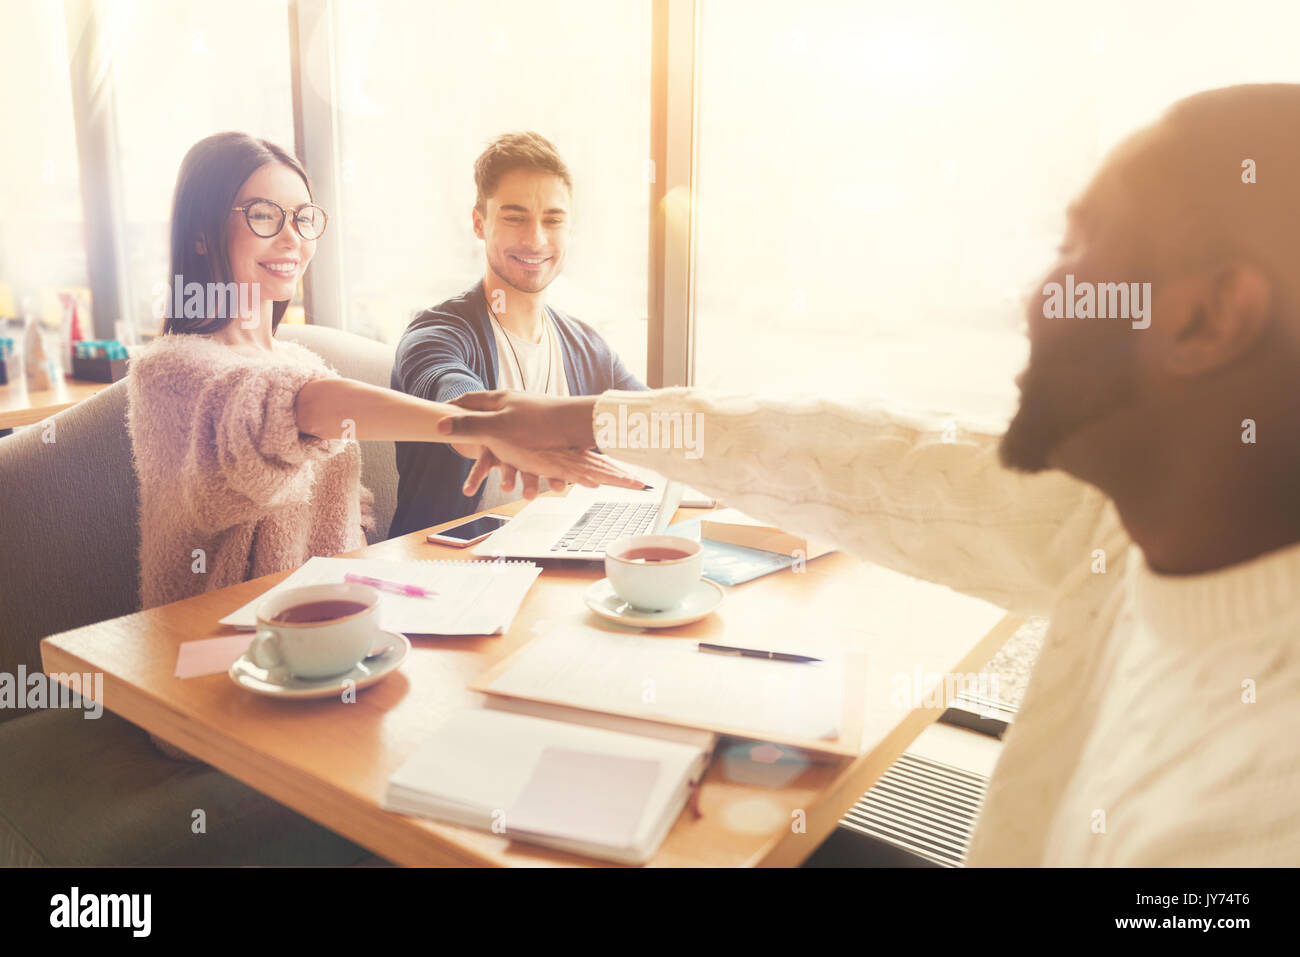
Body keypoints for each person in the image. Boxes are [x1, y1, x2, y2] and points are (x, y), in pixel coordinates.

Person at [433, 85, 1300, 866]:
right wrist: (580, 419)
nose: (1036, 296)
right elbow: (883, 456)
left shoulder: (1252, 804)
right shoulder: (1120, 523)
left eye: (1081, 253)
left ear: (1208, 316)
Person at [126, 133, 639, 760]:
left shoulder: (297, 359)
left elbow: (346, 517)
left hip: (334, 656)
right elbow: (294, 407)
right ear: (202, 232)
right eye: (262, 215)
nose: (291, 238)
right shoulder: (171, 372)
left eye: (302, 217)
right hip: (217, 672)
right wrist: (488, 430)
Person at [388, 131, 646, 537]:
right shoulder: (436, 334)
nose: (536, 239)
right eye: (514, 217)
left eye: (553, 220)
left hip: (561, 567)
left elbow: (656, 424)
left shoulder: (590, 349)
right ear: (479, 223)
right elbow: (458, 410)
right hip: (446, 574)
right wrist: (512, 434)